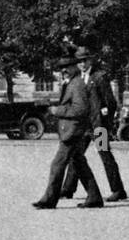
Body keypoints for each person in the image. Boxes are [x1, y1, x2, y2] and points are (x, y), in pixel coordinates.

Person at [32, 55, 104, 209]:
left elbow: (80, 109)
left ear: (75, 67)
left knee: (57, 164)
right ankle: (94, 197)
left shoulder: (76, 84)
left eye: (67, 67)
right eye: (61, 68)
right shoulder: (72, 82)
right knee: (79, 163)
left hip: (77, 130)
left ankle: (49, 200)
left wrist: (56, 110)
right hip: (76, 129)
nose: (63, 70)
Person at [62, 47, 128, 202]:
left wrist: (106, 122)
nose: (82, 64)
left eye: (85, 60)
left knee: (105, 155)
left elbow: (111, 102)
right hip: (82, 126)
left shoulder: (99, 77)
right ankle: (68, 189)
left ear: (90, 60)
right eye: (79, 61)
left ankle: (118, 190)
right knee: (75, 155)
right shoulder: (76, 78)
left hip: (98, 126)